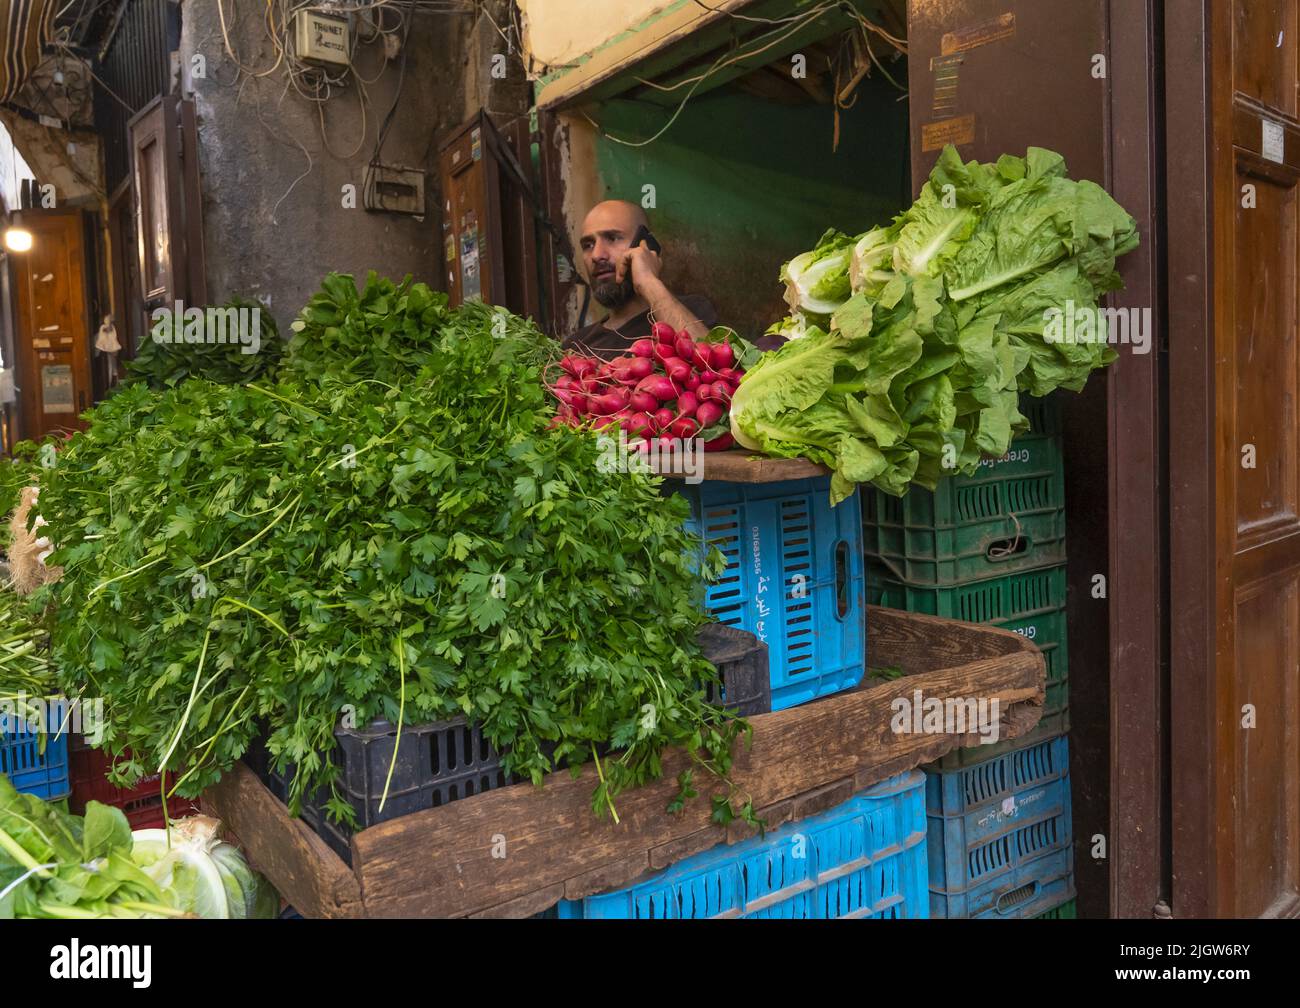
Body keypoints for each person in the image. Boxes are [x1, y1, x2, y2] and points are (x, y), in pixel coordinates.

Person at [561, 200, 717, 359]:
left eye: (612, 238)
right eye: (588, 245)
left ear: (647, 245)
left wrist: (648, 282)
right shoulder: (574, 349)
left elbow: (710, 364)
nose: (596, 255)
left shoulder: (693, 311)